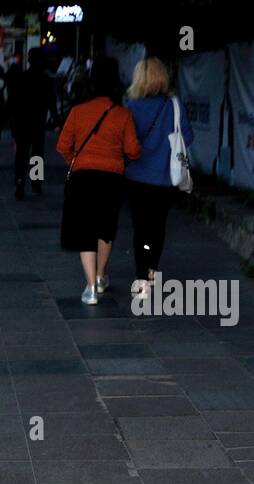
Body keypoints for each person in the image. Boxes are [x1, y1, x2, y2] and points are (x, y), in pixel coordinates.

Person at [56, 57, 140, 305]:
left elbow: (62, 146)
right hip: (111, 179)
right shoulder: (123, 115)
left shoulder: (77, 112)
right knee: (105, 228)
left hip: (83, 178)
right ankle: (102, 276)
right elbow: (133, 150)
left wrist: (77, 161)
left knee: (85, 231)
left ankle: (90, 288)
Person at [124, 56, 194, 302]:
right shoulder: (174, 105)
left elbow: (125, 143)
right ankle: (152, 271)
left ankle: (142, 278)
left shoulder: (130, 107)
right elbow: (188, 138)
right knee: (157, 228)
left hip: (135, 177)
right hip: (165, 178)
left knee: (140, 229)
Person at [8, 47, 56, 199]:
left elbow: (13, 102)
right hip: (38, 122)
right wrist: (55, 118)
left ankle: (20, 180)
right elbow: (52, 103)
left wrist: (13, 123)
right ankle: (36, 183)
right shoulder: (46, 80)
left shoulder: (21, 78)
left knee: (21, 153)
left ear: (28, 61)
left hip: (21, 122)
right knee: (37, 154)